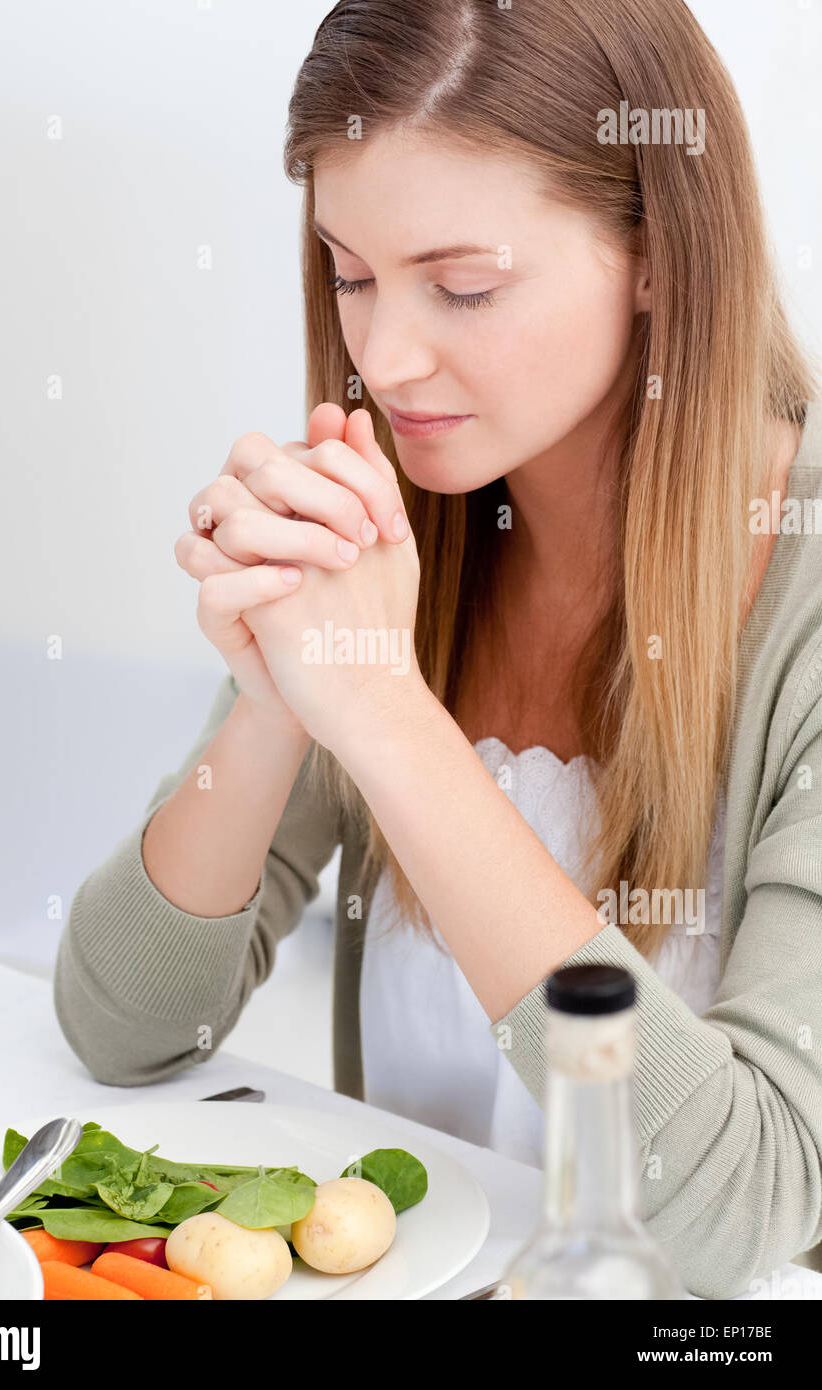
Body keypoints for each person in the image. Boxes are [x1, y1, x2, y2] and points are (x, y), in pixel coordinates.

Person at [55, 0, 822, 1297]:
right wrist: (269, 705)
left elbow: (742, 1207)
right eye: (349, 273)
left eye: (463, 284)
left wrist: (388, 716)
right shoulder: (393, 527)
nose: (384, 356)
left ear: (657, 254)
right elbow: (125, 1032)